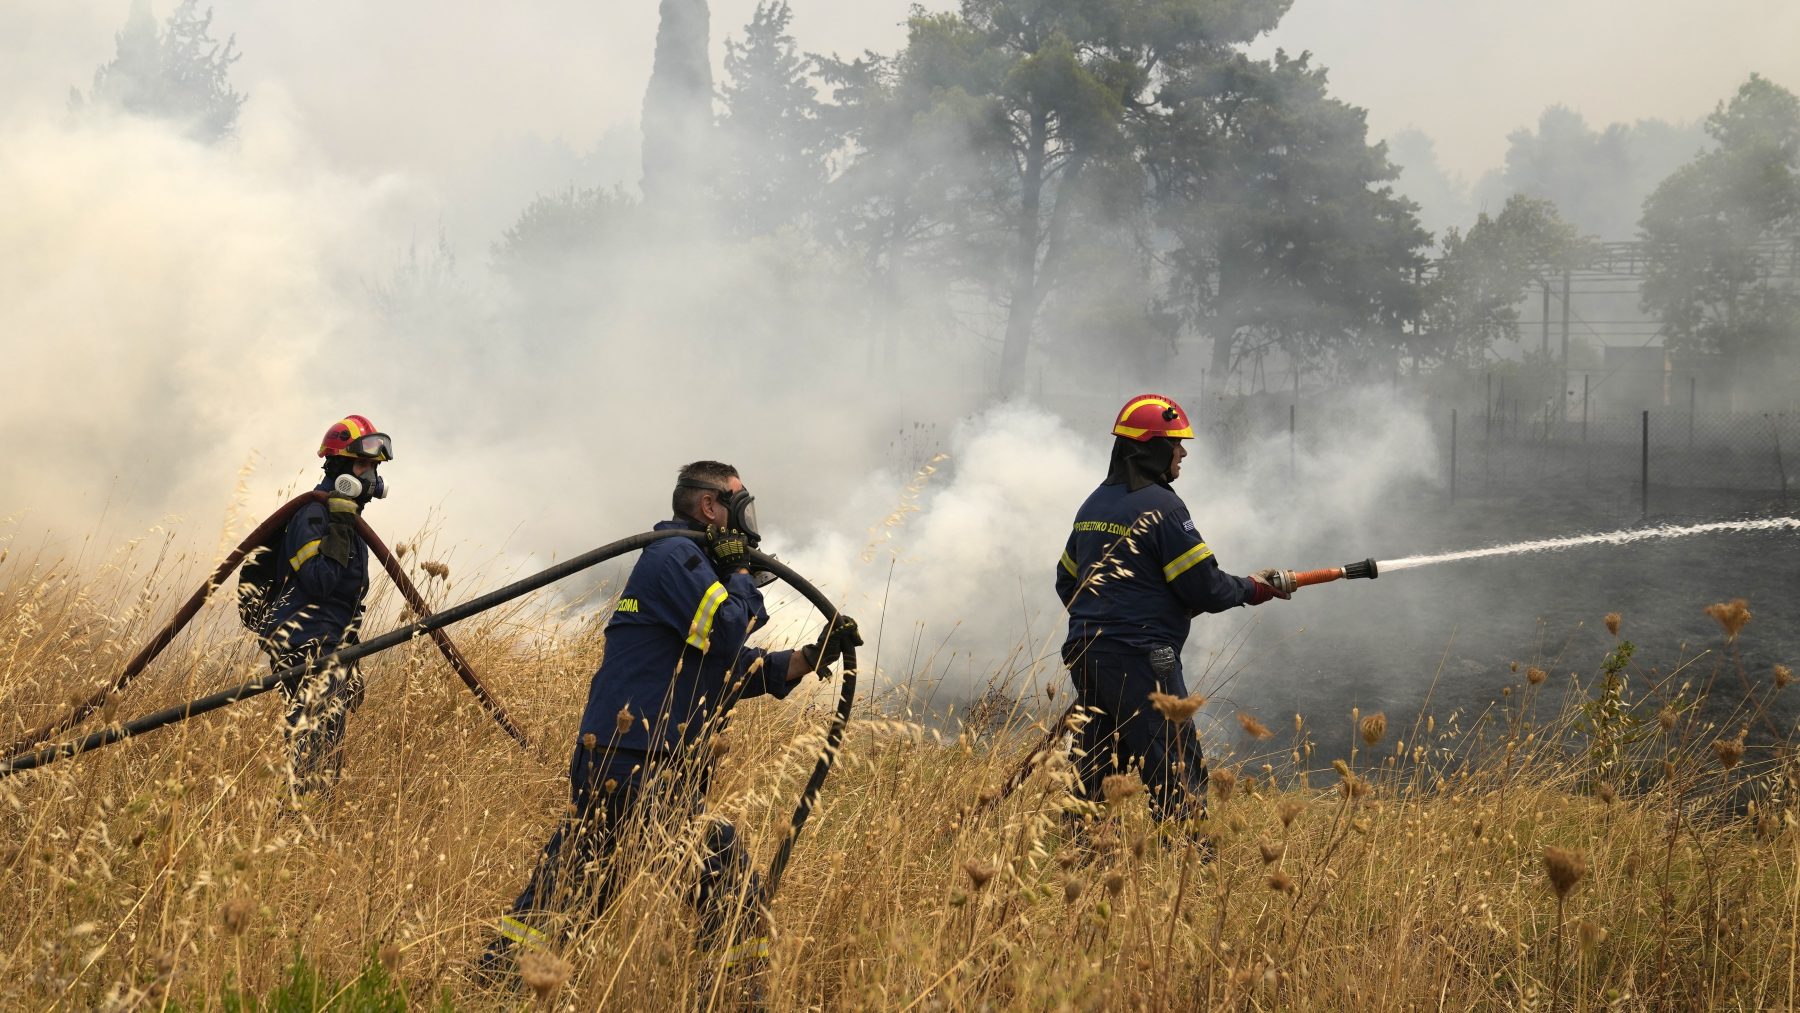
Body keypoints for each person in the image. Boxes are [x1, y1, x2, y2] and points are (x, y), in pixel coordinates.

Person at [481, 460, 860, 994]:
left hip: (633, 758)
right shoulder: (674, 557)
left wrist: (810, 655)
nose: (746, 520)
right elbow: (728, 628)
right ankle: (736, 997)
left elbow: (727, 669)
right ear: (710, 506)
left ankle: (494, 987)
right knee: (723, 870)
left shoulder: (690, 569)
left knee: (572, 888)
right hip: (635, 759)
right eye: (738, 503)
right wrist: (742, 578)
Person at [1054, 394, 1287, 838]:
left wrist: (1107, 621)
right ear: (1151, 447)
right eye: (1176, 443)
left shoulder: (1093, 506)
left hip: (1087, 653)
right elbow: (1206, 587)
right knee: (1173, 763)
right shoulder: (1164, 507)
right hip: (1142, 659)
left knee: (1096, 760)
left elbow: (1067, 581)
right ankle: (1189, 865)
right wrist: (1255, 588)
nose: (1183, 452)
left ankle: (1077, 853)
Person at [258, 414, 392, 800]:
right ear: (339, 468)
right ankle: (296, 824)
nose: (371, 478)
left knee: (327, 753)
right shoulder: (314, 515)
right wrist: (338, 526)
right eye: (364, 465)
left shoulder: (343, 519)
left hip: (328, 647)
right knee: (312, 755)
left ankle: (311, 820)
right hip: (303, 647)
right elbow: (320, 583)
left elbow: (343, 602)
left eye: (374, 468)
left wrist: (350, 657)